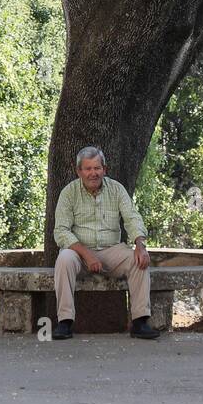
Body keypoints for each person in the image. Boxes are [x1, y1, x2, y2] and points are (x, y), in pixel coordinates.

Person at [52, 145, 160, 339]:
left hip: (111, 250)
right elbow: (61, 231)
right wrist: (87, 254)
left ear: (104, 169)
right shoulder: (68, 193)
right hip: (79, 252)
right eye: (88, 168)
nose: (93, 173)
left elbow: (132, 217)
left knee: (139, 260)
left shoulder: (117, 189)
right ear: (79, 171)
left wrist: (140, 245)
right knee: (64, 259)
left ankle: (140, 321)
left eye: (97, 168)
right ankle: (65, 322)